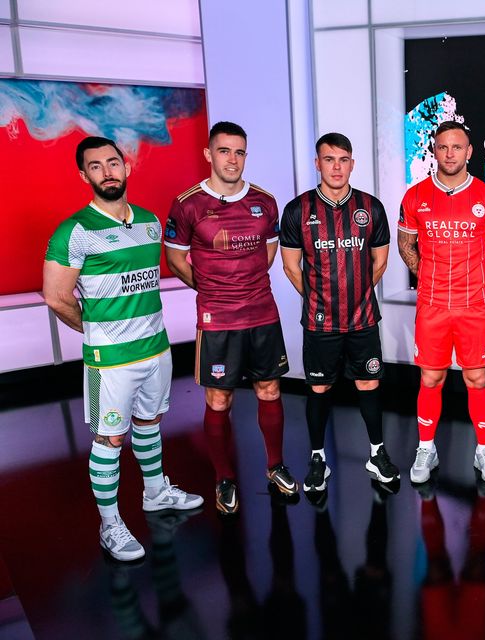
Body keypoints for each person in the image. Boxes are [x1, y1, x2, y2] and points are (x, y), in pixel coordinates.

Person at [44, 136, 203, 562]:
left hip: (156, 349)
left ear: (126, 167)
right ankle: (110, 524)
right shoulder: (74, 231)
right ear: (84, 175)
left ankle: (155, 493)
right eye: (95, 166)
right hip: (110, 360)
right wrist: (98, 329)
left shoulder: (151, 222)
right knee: (110, 437)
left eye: (113, 163)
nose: (106, 171)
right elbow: (56, 296)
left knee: (150, 421)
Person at [164, 121, 296, 515]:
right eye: (224, 151)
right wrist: (211, 289)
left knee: (270, 390)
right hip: (218, 317)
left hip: (261, 312)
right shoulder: (188, 204)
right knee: (219, 398)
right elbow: (174, 259)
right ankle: (224, 476)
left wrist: (245, 284)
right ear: (209, 154)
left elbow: (269, 254)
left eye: (239, 152)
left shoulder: (265, 201)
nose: (232, 159)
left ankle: (275, 467)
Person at [279, 132, 399, 492]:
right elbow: (290, 266)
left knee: (369, 383)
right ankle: (319, 458)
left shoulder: (370, 207)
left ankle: (377, 454)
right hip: (320, 323)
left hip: (363, 319)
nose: (336, 166)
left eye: (343, 159)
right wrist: (319, 298)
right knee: (318, 388)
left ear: (352, 163)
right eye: (329, 159)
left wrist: (358, 291)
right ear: (317, 163)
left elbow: (380, 260)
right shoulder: (298, 210)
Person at [397, 120, 485, 485]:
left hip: (473, 305)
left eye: (457, 147)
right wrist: (427, 276)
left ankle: (484, 449)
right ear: (435, 150)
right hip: (431, 305)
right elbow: (405, 244)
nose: (450, 154)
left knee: (477, 378)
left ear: (469, 152)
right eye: (443, 147)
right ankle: (426, 448)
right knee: (431, 377)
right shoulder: (415, 196)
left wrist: (474, 284)